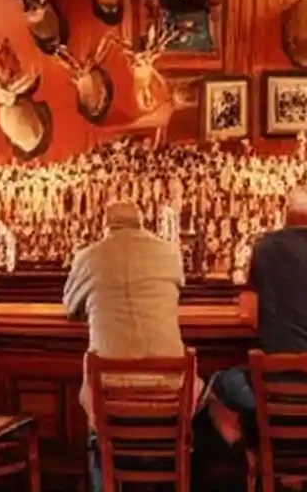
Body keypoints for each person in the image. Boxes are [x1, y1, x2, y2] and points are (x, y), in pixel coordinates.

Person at [63, 200, 195, 492]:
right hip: (171, 393)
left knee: (91, 399)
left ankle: (105, 481)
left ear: (105, 226)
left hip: (111, 395)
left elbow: (70, 306)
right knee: (208, 395)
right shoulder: (168, 254)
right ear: (142, 222)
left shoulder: (89, 257)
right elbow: (178, 289)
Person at [206, 186, 307, 447]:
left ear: (285, 214)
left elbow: (249, 315)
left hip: (275, 398)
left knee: (221, 381)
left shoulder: (266, 249)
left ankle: (254, 453)